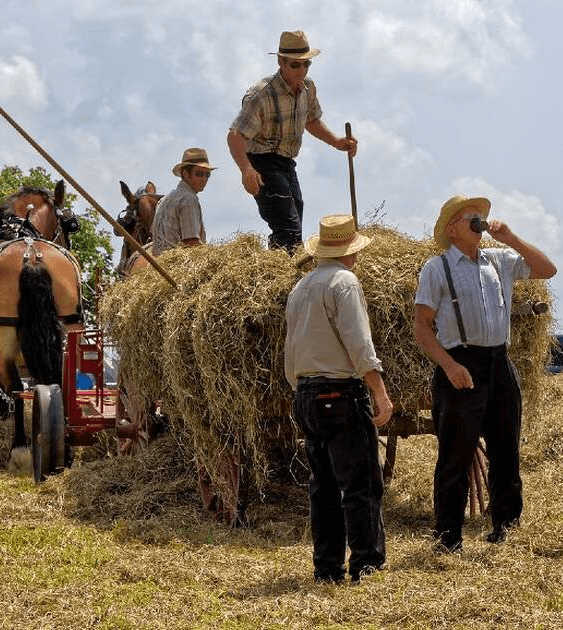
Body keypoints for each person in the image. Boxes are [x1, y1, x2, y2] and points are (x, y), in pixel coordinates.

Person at [413, 195, 557, 552]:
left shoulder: (500, 260)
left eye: (481, 217)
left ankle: (506, 527)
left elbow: (547, 269)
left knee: (506, 450)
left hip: (498, 362)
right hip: (461, 363)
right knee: (456, 455)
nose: (480, 222)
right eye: (471, 218)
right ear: (452, 229)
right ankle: (448, 538)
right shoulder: (438, 268)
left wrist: (511, 238)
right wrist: (449, 365)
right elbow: (421, 327)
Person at [285, 214, 394, 583]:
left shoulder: (300, 288)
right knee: (361, 482)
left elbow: (290, 352)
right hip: (340, 394)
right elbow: (360, 345)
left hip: (305, 394)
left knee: (324, 487)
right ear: (349, 252)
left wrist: (302, 391)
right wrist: (380, 394)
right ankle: (367, 564)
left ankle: (326, 568)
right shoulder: (345, 283)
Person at [227, 30, 358, 252]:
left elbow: (312, 120)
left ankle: (283, 269)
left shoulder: (308, 88)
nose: (302, 70)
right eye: (295, 65)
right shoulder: (261, 94)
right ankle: (281, 276)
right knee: (287, 227)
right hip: (262, 161)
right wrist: (246, 170)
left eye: (306, 64)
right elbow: (235, 135)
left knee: (295, 215)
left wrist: (336, 141)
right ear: (281, 62)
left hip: (287, 163)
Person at [149, 148, 215, 256]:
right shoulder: (188, 198)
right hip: (180, 266)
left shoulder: (163, 200)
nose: (204, 179)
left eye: (207, 175)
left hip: (160, 264)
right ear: (185, 173)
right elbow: (191, 243)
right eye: (199, 174)